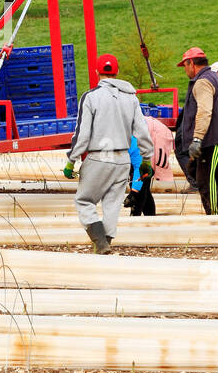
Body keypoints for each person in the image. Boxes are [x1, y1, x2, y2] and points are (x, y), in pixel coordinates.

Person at [63, 53, 153, 253]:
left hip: (99, 157)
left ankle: (100, 242)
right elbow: (143, 132)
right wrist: (147, 159)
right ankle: (104, 245)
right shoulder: (131, 98)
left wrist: (71, 160)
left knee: (84, 200)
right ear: (117, 72)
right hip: (123, 159)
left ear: (97, 72)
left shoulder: (91, 97)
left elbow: (82, 135)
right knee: (112, 204)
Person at [177, 47, 218, 216]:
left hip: (215, 139)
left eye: (185, 66)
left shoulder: (202, 82)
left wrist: (197, 139)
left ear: (191, 63)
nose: (185, 70)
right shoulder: (213, 77)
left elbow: (204, 110)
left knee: (205, 178)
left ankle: (214, 216)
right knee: (194, 170)